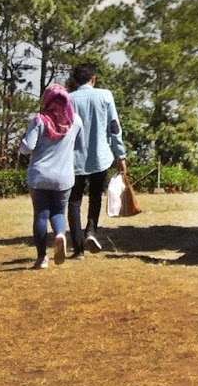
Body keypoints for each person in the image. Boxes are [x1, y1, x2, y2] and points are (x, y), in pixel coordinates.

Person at [65, 62, 127, 260]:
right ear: (93, 79)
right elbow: (114, 126)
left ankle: (78, 249)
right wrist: (120, 154)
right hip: (100, 157)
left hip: (74, 158)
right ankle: (91, 231)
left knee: (74, 201)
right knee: (95, 196)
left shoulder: (69, 99)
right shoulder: (105, 95)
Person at [20, 83, 85, 269]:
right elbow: (80, 146)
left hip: (39, 176)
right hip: (64, 177)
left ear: (47, 100)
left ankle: (42, 258)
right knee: (58, 211)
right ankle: (60, 235)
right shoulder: (75, 121)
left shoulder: (39, 120)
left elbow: (27, 148)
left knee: (41, 214)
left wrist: (22, 143)